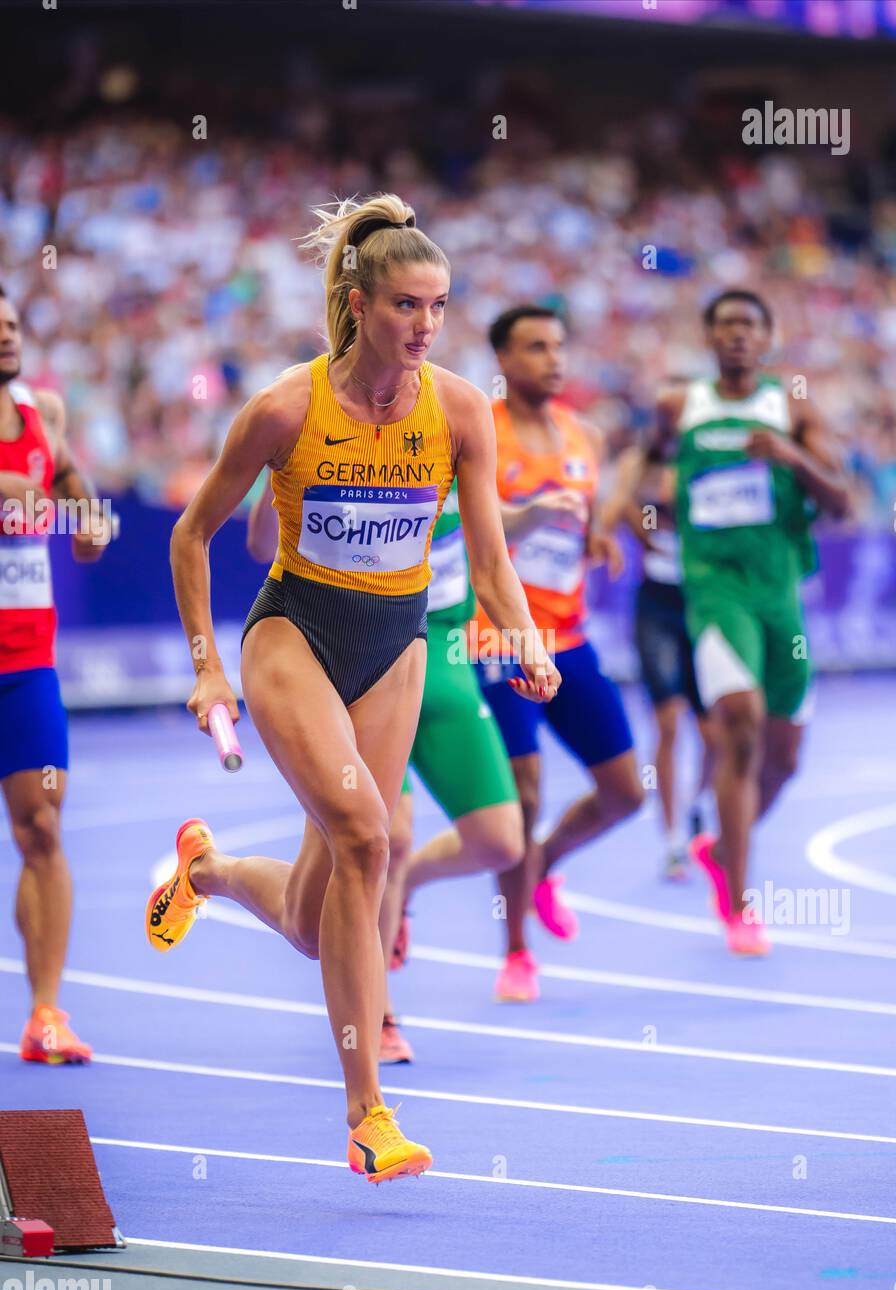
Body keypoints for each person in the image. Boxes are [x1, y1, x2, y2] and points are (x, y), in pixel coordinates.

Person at [146, 195, 558, 1184]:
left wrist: (526, 638)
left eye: (442, 307)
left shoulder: (458, 410)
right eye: (408, 305)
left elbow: (494, 562)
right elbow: (190, 533)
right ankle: (369, 1111)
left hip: (396, 645)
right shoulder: (288, 406)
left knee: (306, 915)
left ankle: (202, 871)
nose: (426, 326)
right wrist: (207, 662)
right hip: (296, 635)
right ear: (358, 302)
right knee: (372, 837)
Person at [248, 468, 523, 1065]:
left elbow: (491, 539)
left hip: (443, 651)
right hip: (361, 659)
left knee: (502, 842)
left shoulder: (444, 430)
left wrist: (525, 634)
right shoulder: (326, 436)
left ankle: (217, 870)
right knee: (384, 841)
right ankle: (379, 1019)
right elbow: (256, 545)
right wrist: (281, 475)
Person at [648, 289, 851, 954]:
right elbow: (646, 462)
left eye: (749, 325)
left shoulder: (791, 407)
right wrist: (641, 503)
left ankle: (721, 847)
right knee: (740, 720)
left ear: (766, 338)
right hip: (713, 590)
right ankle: (739, 904)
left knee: (785, 756)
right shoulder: (680, 406)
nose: (737, 334)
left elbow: (843, 500)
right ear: (709, 338)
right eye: (726, 324)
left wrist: (792, 458)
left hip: (779, 594)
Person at [474, 305, 644, 1003]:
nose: (554, 359)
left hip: (569, 639)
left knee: (626, 792)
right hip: (497, 639)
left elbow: (576, 518)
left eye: (559, 346)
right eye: (535, 347)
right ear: (504, 360)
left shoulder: (586, 436)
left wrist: (596, 538)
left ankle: (541, 864)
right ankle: (516, 952)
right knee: (525, 794)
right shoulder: (479, 427)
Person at [0, 285, 113, 1064]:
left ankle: (45, 1015)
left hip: (25, 661)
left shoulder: (44, 410)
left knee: (42, 825)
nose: (8, 334)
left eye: (11, 321)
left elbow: (68, 481)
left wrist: (88, 519)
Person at [603, 431, 714, 879]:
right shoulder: (639, 460)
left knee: (716, 733)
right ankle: (671, 841)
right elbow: (610, 513)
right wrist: (632, 500)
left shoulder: (704, 453)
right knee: (667, 721)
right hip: (657, 606)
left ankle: (699, 805)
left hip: (705, 603)